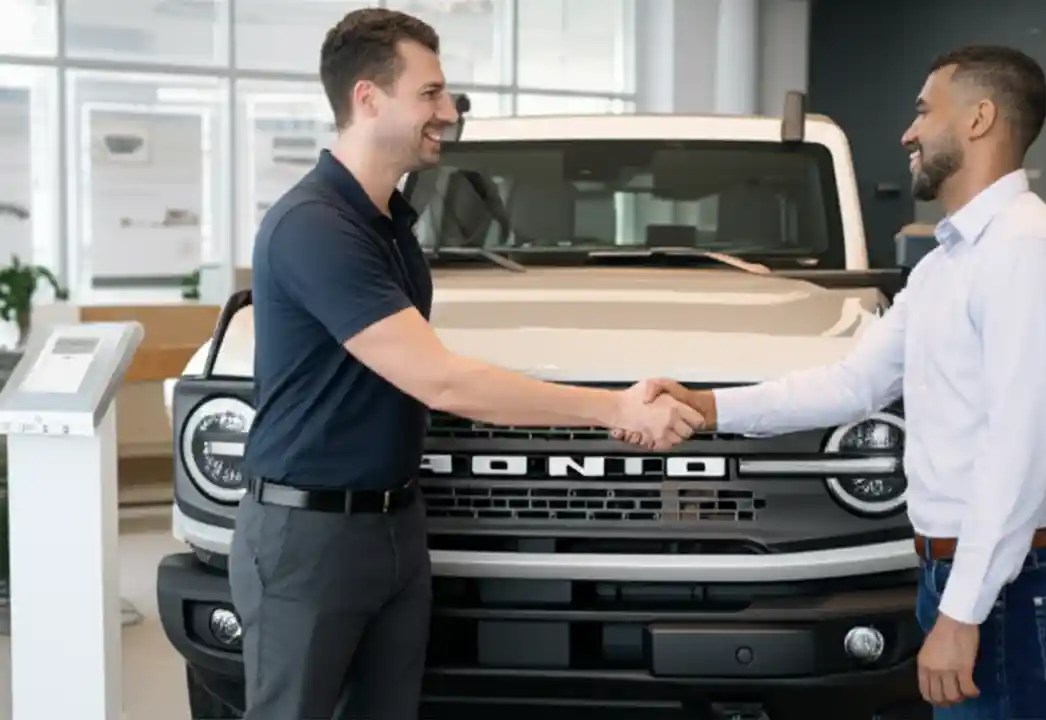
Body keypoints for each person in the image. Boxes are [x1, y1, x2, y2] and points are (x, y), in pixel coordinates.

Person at [230, 9, 703, 720]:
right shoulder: (315, 226)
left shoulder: (389, 225)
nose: (448, 113)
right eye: (431, 94)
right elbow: (441, 379)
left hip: (395, 522)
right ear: (368, 99)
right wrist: (613, 408)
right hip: (310, 538)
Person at [616, 45, 1046, 719]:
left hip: (1009, 579)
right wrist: (707, 404)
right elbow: (851, 383)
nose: (907, 132)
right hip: (959, 568)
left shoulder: (1027, 252)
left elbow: (1020, 451)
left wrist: (963, 614)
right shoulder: (947, 265)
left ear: (980, 118)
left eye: (924, 110)